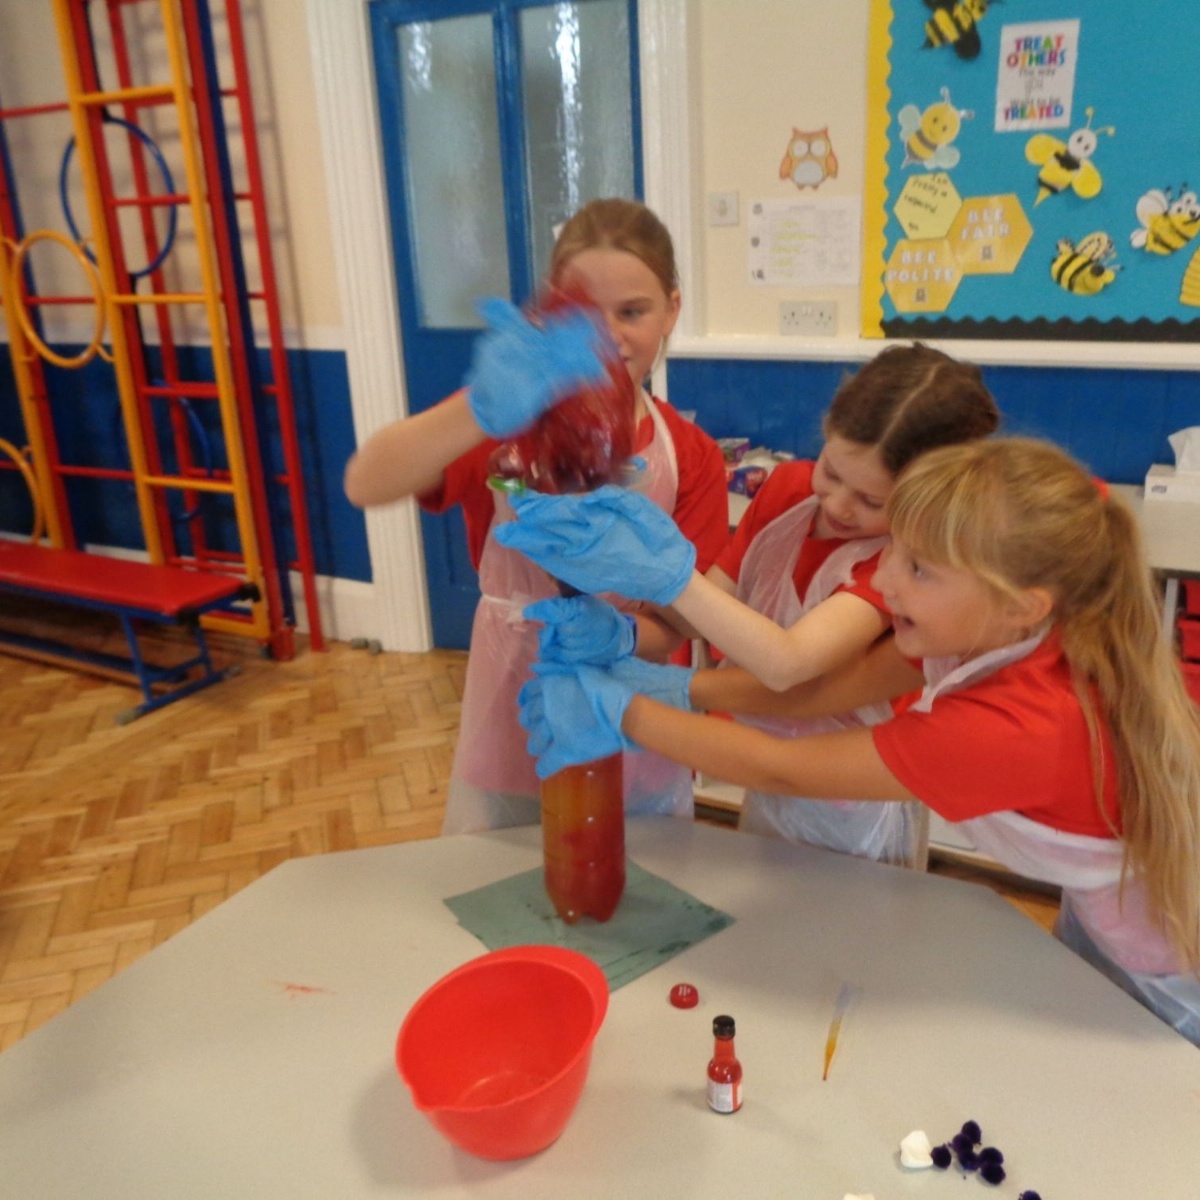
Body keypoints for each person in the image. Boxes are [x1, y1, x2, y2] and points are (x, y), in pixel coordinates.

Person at [514, 437, 1200, 1044]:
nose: (886, 579)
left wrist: (619, 709)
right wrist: (672, 689)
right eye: (894, 550)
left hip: (1174, 960)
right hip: (1121, 904)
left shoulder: (1018, 729)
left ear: (1022, 603)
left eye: (920, 569)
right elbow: (819, 692)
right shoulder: (996, 631)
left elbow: (783, 768)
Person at [502, 344, 999, 865]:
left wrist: (672, 587)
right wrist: (623, 625)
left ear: (926, 498)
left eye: (872, 500)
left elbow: (790, 666)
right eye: (831, 471)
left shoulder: (902, 565)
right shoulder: (786, 492)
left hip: (857, 805)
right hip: (762, 771)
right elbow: (700, 612)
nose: (836, 505)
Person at [343, 198, 729, 834]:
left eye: (632, 312)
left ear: (672, 310)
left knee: (641, 882)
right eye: (583, 315)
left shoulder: (692, 457)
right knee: (508, 881)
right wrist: (479, 410)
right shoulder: (505, 427)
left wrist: (622, 636)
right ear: (550, 315)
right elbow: (367, 481)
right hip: (517, 697)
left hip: (635, 705)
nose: (607, 337)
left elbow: (681, 623)